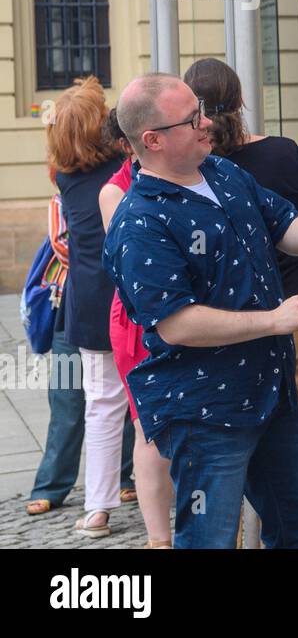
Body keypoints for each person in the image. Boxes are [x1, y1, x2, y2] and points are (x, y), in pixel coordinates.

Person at [103, 72, 298, 548]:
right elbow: (177, 324)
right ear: (152, 140)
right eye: (192, 118)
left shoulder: (222, 172)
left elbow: (286, 228)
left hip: (273, 392)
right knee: (209, 539)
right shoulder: (138, 222)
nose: (207, 123)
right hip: (208, 412)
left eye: (202, 111)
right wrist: (274, 320)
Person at [184, 57, 298, 546]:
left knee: (227, 441)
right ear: (242, 101)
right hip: (291, 302)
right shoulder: (278, 155)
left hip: (226, 317)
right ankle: (297, 535)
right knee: (296, 429)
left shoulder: (197, 171)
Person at [43, 77, 135, 538]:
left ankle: (98, 509)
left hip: (86, 304)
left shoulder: (65, 176)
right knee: (151, 400)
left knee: (101, 406)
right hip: (131, 296)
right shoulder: (127, 165)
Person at [27, 166, 133, 518]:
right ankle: (52, 485)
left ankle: (122, 477)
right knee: (68, 400)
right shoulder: (66, 192)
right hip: (70, 307)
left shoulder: (113, 182)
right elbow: (61, 245)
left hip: (98, 301)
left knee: (117, 398)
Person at [99, 108, 174, 548]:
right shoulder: (115, 190)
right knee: (149, 427)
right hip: (139, 319)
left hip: (187, 308)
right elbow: (131, 257)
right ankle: (158, 539)